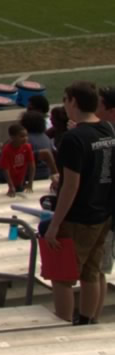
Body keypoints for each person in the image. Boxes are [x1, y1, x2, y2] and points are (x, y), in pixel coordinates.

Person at [50, 82, 113, 324]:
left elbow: (71, 185)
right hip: (102, 213)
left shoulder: (73, 138)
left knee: (62, 277)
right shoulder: (108, 129)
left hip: (78, 216)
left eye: (65, 99)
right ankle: (88, 320)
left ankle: (63, 323)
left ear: (73, 101)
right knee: (92, 272)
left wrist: (55, 224)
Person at [0, 120, 36, 195]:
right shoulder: (7, 150)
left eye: (26, 136)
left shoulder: (27, 147)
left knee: (19, 189)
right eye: (22, 136)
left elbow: (32, 165)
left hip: (19, 174)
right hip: (3, 172)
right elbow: (5, 169)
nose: (25, 138)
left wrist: (30, 182)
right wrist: (10, 186)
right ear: (12, 137)